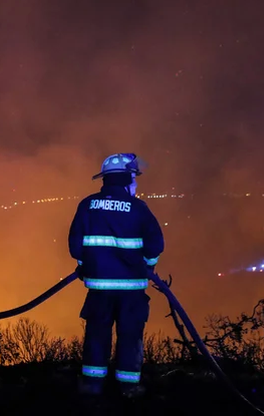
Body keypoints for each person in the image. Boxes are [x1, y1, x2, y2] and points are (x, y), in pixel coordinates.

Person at [68, 153, 164, 399]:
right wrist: (148, 266)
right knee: (130, 336)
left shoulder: (87, 205)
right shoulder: (139, 208)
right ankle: (128, 388)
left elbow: (76, 246)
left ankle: (92, 385)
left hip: (99, 288)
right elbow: (155, 245)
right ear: (128, 179)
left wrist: (86, 266)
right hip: (132, 289)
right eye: (134, 178)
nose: (136, 183)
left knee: (96, 335)